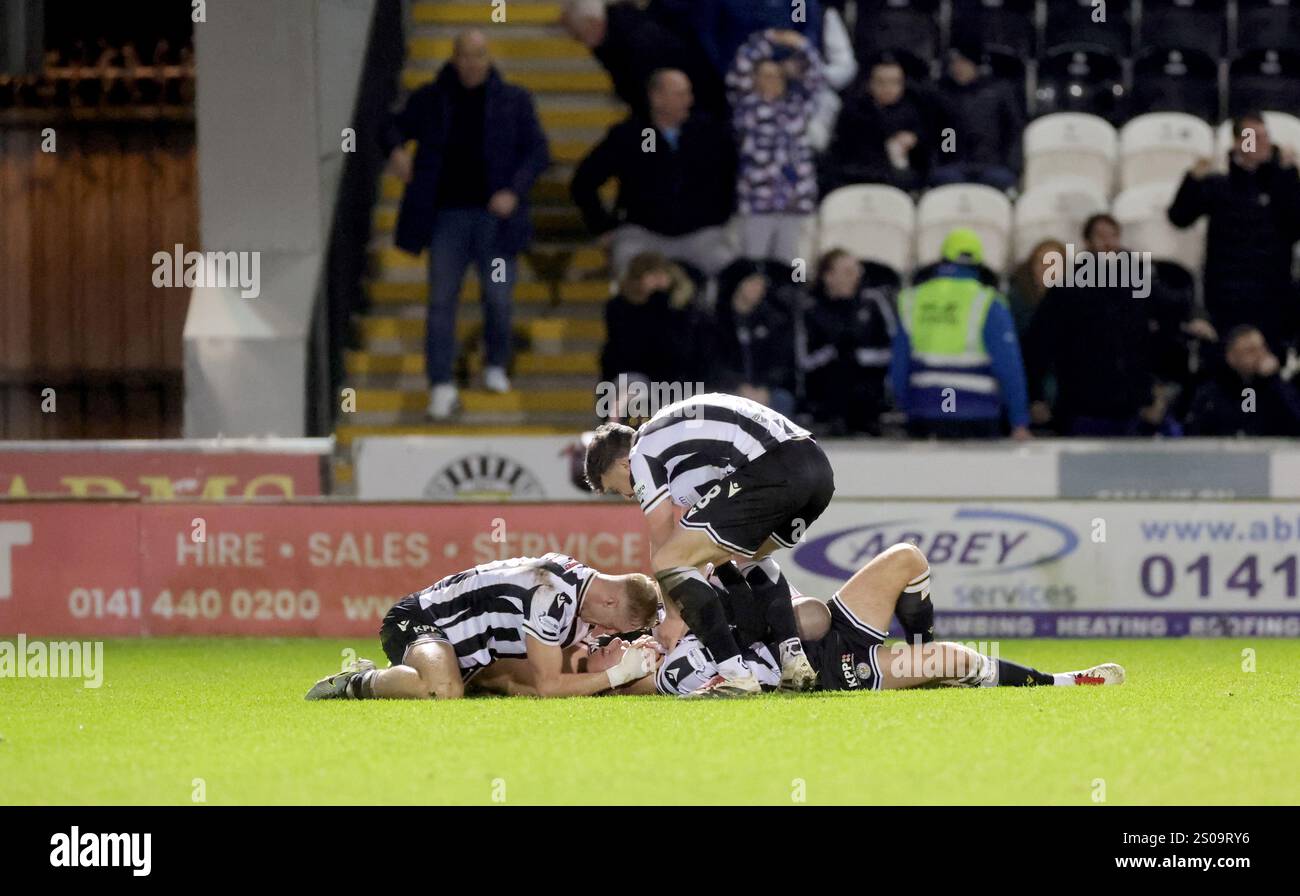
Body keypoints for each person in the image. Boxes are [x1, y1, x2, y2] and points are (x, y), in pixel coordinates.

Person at [583, 392, 836, 696]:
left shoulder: (641, 455)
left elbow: (663, 541)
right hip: (816, 471)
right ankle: (794, 664)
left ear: (624, 465)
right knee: (744, 555)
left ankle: (735, 676)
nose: (628, 496)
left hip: (772, 468)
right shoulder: (682, 457)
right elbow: (708, 546)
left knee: (668, 562)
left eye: (617, 489)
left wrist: (675, 617)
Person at [653, 544, 1125, 695]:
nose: (667, 620)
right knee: (956, 662)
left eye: (670, 611)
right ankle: (1062, 682)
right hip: (828, 671)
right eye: (664, 616)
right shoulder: (667, 663)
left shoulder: (715, 599)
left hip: (825, 626)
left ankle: (919, 642)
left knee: (907, 558)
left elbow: (778, 587)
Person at [382, 30, 550, 420]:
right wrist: (396, 151)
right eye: (465, 56)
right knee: (441, 302)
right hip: (446, 218)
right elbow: (389, 126)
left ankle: (495, 363)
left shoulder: (514, 100)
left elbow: (539, 151)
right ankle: (440, 383)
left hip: (496, 220)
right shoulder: (430, 99)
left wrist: (514, 190)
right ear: (454, 59)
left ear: (488, 58)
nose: (472, 63)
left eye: (479, 56)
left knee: (498, 297)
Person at [304, 554, 660, 701]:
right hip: (420, 621)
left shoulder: (583, 595)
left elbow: (570, 671)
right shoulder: (551, 596)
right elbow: (549, 684)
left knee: (501, 684)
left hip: (466, 655)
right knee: (443, 691)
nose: (617, 634)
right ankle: (358, 681)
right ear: (612, 602)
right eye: (624, 626)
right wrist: (616, 676)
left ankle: (414, 675)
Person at [570, 68, 738, 277]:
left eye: (688, 93)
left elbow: (733, 177)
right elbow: (583, 182)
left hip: (700, 234)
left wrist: (723, 215)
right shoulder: (632, 135)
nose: (688, 100)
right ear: (656, 98)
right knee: (628, 261)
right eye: (679, 95)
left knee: (728, 268)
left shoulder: (711, 134)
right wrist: (602, 227)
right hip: (643, 234)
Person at [1024, 214, 1172, 436]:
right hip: (1081, 409)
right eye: (1101, 236)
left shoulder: (1141, 285)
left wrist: (1157, 392)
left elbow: (1162, 335)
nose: (1108, 243)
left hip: (1134, 409)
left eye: (1113, 236)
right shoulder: (1067, 290)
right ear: (1087, 242)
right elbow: (1038, 345)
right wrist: (1036, 396)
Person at [1168, 112, 1300, 355]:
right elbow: (1179, 217)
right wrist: (1192, 180)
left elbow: (1295, 227)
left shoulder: (1281, 182)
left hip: (1272, 292)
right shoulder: (1219, 184)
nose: (1263, 143)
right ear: (1239, 142)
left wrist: (1290, 176)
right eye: (1254, 137)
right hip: (1227, 294)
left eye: (1265, 136)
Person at [890, 229, 1031, 439]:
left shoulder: (913, 299)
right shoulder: (988, 302)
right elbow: (1009, 367)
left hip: (924, 409)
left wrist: (904, 403)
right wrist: (1019, 420)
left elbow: (899, 366)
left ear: (943, 259)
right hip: (975, 412)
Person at [727, 29, 825, 262]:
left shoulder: (797, 106)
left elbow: (816, 77)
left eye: (776, 76)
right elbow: (740, 66)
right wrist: (768, 38)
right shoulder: (746, 107)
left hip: (795, 201)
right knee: (753, 264)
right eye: (764, 75)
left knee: (792, 266)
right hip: (758, 202)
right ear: (754, 79)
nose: (771, 81)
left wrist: (802, 44)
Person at [559, 0, 725, 118]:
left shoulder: (637, 42)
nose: (577, 40)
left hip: (693, 112)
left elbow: (648, 109)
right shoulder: (615, 39)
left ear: (592, 23)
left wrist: (649, 151)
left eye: (578, 34)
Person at [802, 248, 896, 435]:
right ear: (828, 277)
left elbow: (892, 349)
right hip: (828, 385)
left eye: (856, 271)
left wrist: (858, 355)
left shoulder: (873, 302)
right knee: (838, 372)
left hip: (869, 381)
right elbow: (803, 361)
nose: (854, 277)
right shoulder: (812, 309)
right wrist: (834, 352)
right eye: (847, 272)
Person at [823, 55, 939, 193]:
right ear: (870, 83)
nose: (887, 88)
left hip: (902, 178)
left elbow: (937, 145)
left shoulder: (914, 110)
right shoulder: (853, 110)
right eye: (881, 82)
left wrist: (915, 140)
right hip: (859, 176)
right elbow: (843, 153)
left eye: (894, 82)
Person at [600, 252, 707, 386]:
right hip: (634, 373)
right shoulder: (620, 306)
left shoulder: (681, 306)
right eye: (652, 275)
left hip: (677, 377)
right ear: (637, 278)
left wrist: (661, 299)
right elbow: (629, 349)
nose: (658, 280)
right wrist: (657, 299)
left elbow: (682, 347)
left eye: (661, 274)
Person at [708, 260, 800, 417]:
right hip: (725, 390)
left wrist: (765, 387)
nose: (758, 288)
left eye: (761, 284)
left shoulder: (772, 321)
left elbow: (781, 362)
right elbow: (711, 362)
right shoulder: (714, 322)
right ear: (737, 285)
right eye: (752, 282)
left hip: (763, 391)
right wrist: (738, 386)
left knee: (782, 399)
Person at [930, 40, 1023, 191]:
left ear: (976, 65)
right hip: (957, 164)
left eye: (963, 63)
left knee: (999, 178)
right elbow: (944, 133)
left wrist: (1012, 165)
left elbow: (1013, 131)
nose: (958, 68)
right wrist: (947, 159)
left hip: (992, 164)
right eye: (954, 63)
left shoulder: (1000, 91)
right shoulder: (944, 94)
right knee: (947, 177)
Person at [1185, 325, 1300, 436]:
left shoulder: (1274, 388)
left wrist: (1275, 379)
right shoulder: (1212, 393)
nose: (1260, 355)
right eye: (1251, 351)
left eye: (1263, 348)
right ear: (1231, 357)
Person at [1006, 239, 1066, 339]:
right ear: (1032, 266)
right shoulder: (1015, 299)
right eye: (1041, 262)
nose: (1045, 268)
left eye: (1053, 263)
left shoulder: (1073, 301)